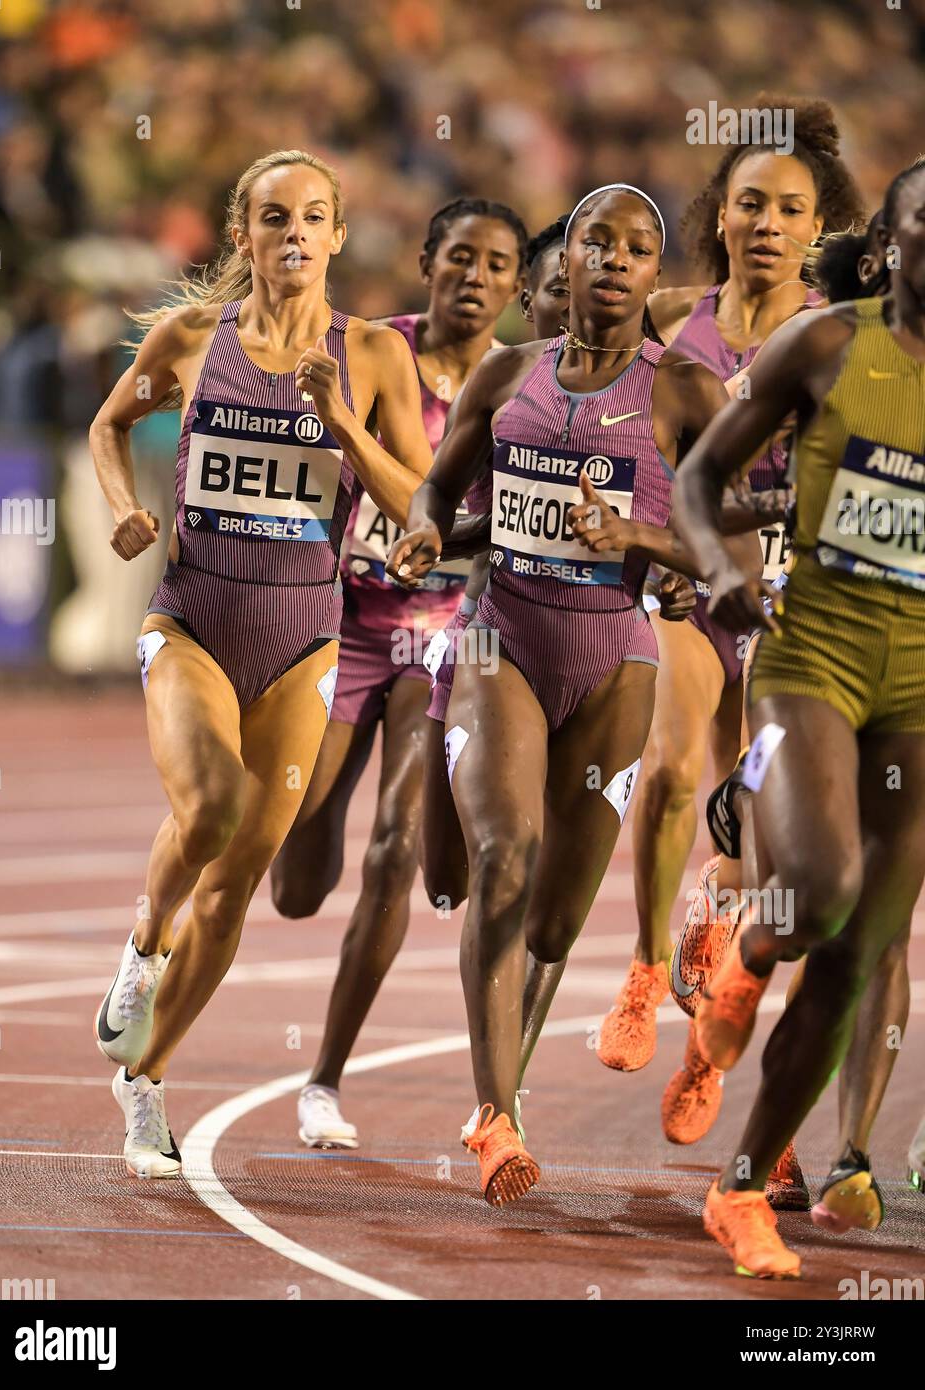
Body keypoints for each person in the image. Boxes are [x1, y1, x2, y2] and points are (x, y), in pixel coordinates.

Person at [90, 149, 434, 1178]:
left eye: (314, 216)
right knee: (207, 810)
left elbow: (420, 501)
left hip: (303, 641)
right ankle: (143, 947)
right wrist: (125, 510)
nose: (294, 233)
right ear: (243, 235)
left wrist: (341, 428)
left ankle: (144, 1085)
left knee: (240, 881)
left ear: (336, 236)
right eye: (274, 216)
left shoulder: (372, 355)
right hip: (192, 617)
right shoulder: (195, 339)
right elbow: (112, 426)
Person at [389, 184, 731, 1205]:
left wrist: (649, 544)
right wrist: (418, 527)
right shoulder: (508, 372)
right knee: (502, 861)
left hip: (615, 661)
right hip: (503, 638)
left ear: (651, 274)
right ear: (567, 259)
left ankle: (448, 831)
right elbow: (438, 493)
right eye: (597, 241)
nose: (616, 260)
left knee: (550, 923)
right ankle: (497, 1114)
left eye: (637, 248)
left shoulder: (683, 392)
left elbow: (734, 546)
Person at [675, 157, 925, 1278]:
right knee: (818, 896)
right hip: (811, 655)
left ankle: (743, 1189)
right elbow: (698, 477)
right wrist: (721, 567)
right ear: (890, 240)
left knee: (864, 944)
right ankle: (747, 938)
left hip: (921, 686)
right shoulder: (828, 344)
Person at [599, 97, 864, 1075]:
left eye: (790, 210)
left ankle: (710, 910)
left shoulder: (837, 336)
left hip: (790, 601)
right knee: (670, 768)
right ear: (719, 216)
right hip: (685, 589)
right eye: (751, 204)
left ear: (815, 227)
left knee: (751, 820)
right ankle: (637, 968)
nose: (767, 225)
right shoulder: (670, 324)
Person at [265, 198, 527, 1149]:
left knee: (394, 847)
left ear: (518, 285)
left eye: (497, 265)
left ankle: (324, 1081)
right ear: (428, 262)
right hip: (347, 619)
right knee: (296, 879)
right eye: (460, 258)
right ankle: (315, 811)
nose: (475, 277)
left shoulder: (524, 386)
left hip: (446, 632)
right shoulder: (378, 352)